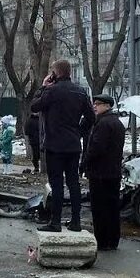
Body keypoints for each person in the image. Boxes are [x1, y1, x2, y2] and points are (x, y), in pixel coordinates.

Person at [30, 59, 95, 232]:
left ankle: (56, 222)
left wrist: (43, 86)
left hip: (54, 146)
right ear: (70, 73)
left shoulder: (52, 91)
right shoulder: (81, 92)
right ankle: (76, 221)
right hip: (73, 146)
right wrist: (79, 132)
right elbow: (91, 118)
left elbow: (34, 106)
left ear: (55, 73)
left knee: (57, 184)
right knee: (74, 184)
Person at [82, 95, 127, 251]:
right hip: (113, 172)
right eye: (94, 104)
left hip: (100, 173)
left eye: (98, 104)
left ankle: (101, 241)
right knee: (112, 208)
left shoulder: (102, 123)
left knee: (100, 209)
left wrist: (85, 161)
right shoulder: (117, 123)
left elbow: (96, 148)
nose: (95, 106)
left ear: (107, 106)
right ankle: (113, 240)